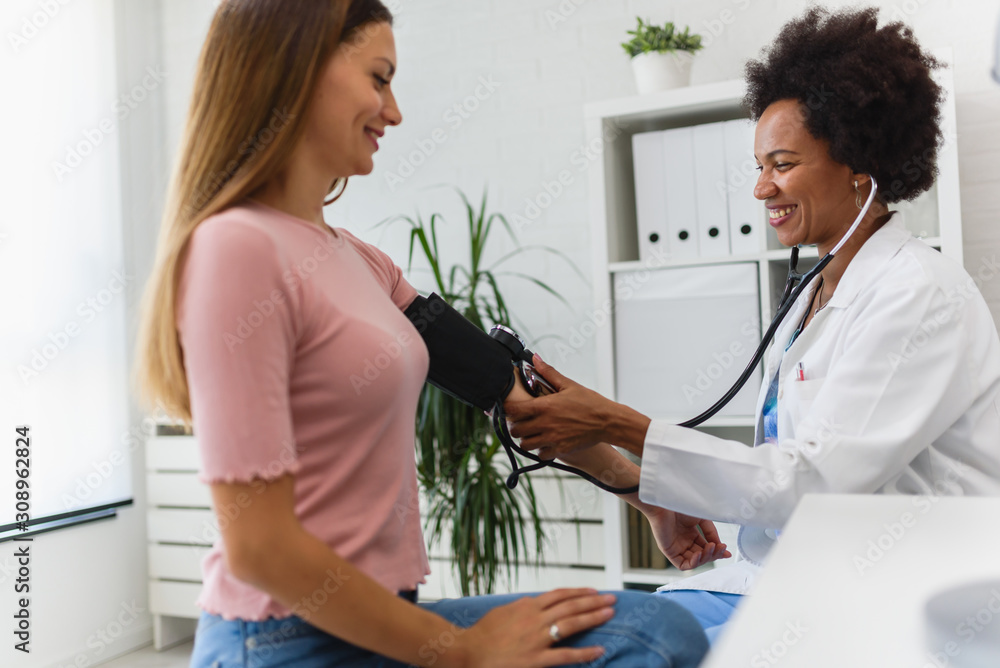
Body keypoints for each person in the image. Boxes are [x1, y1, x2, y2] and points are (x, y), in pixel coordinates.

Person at [134, 1, 710, 666]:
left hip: (379, 616)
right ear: (294, 68)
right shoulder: (235, 247)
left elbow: (511, 392)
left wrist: (641, 492)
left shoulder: (356, 259)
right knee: (649, 641)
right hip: (280, 638)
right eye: (379, 79)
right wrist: (461, 651)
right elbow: (258, 547)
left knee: (658, 630)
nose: (395, 111)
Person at [504, 5, 1000, 645]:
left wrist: (614, 422)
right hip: (794, 572)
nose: (762, 189)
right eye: (759, 167)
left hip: (906, 590)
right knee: (587, 625)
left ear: (858, 163)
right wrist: (651, 487)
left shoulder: (918, 293)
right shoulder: (813, 294)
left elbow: (812, 481)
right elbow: (780, 469)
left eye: (783, 164)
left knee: (614, 642)